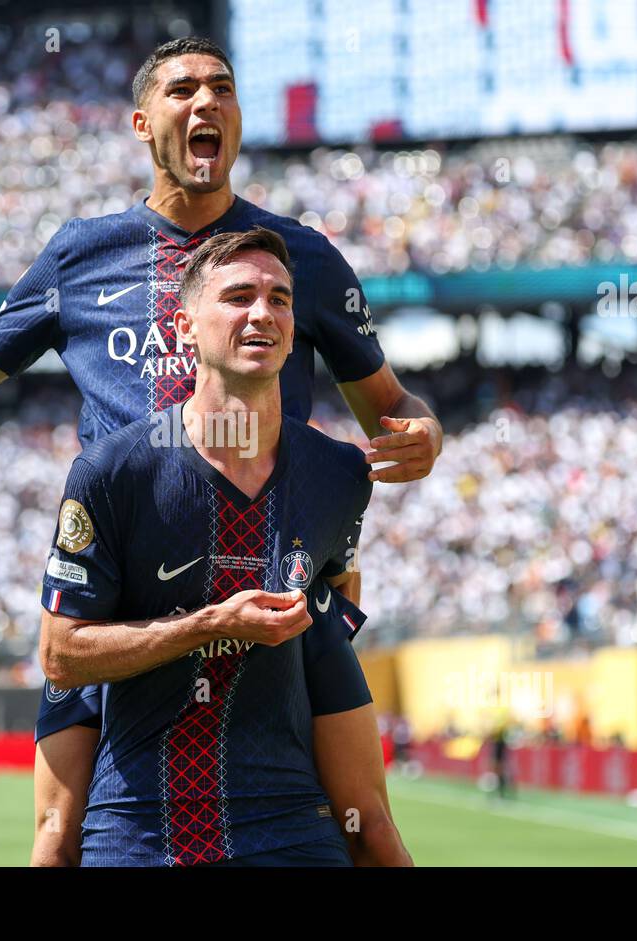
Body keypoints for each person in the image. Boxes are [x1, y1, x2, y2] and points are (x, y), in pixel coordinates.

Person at [0, 37, 440, 866]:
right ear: (143, 122)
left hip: (273, 574)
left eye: (222, 89)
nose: (206, 103)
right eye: (182, 91)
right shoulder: (82, 254)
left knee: (354, 823)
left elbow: (391, 407)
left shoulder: (297, 260)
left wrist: (422, 436)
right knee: (59, 836)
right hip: (119, 587)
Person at [37, 227, 404, 865]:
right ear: (185, 328)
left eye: (280, 299)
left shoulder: (342, 476)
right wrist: (210, 625)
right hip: (141, 833)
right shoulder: (113, 472)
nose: (263, 312)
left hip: (293, 830)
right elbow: (61, 656)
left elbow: (333, 628)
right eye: (238, 297)